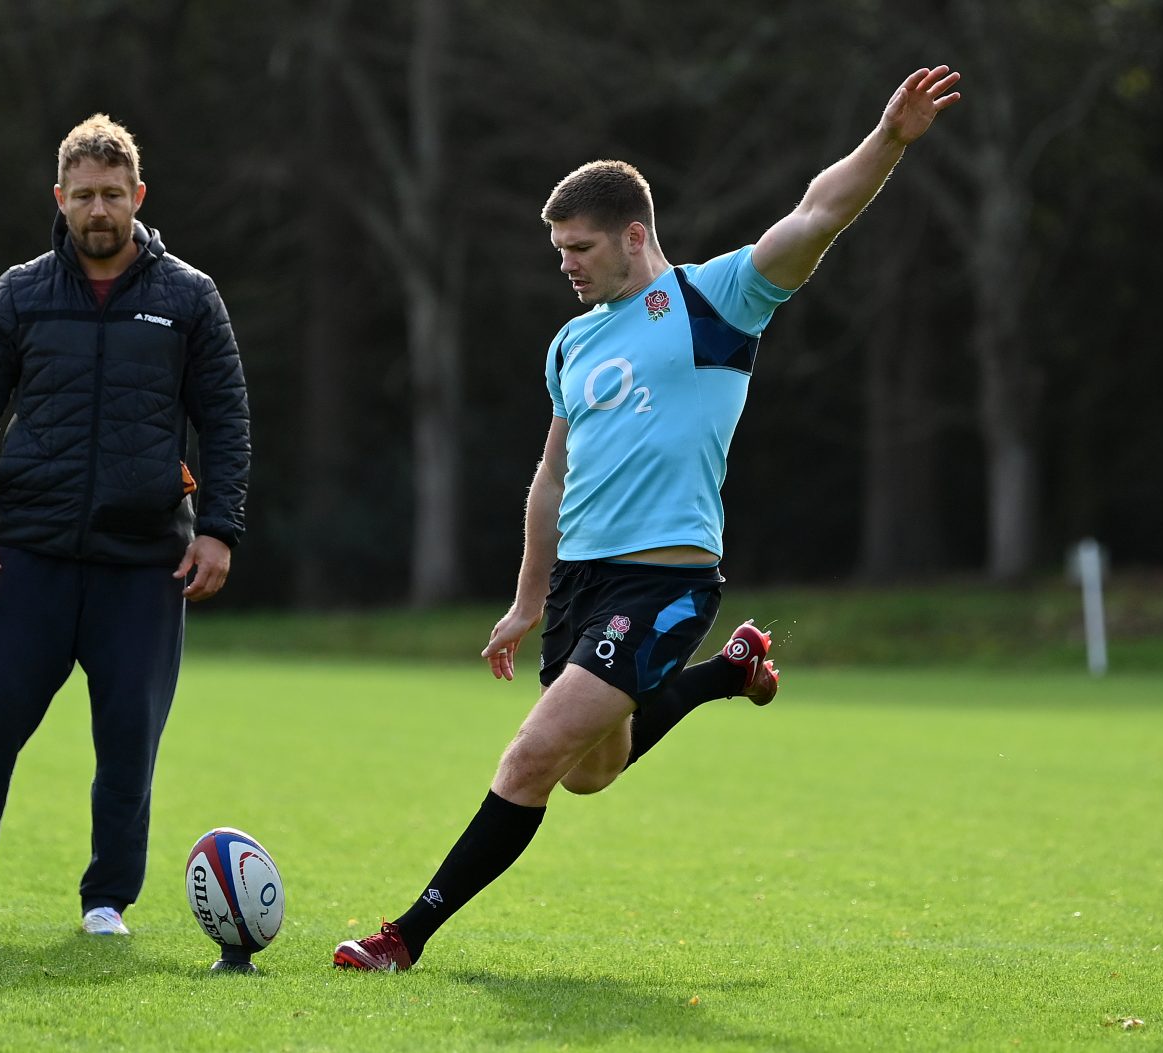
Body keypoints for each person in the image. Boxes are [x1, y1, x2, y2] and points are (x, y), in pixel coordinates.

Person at [334, 66, 961, 971]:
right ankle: (728, 673)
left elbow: (817, 212)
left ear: (635, 236)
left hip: (663, 580)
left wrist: (889, 139)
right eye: (558, 249)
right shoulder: (571, 340)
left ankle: (403, 937)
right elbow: (550, 474)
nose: (566, 264)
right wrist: (526, 601)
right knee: (589, 770)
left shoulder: (714, 303)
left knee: (530, 758)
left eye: (580, 247)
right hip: (583, 587)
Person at [0, 114, 251, 936]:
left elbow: (227, 420)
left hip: (145, 563)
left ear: (138, 196)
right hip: (27, 553)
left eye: (113, 194)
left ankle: (107, 902)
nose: (98, 209)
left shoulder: (190, 297)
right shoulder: (20, 292)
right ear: (60, 200)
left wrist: (219, 529)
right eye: (83, 196)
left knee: (128, 749)